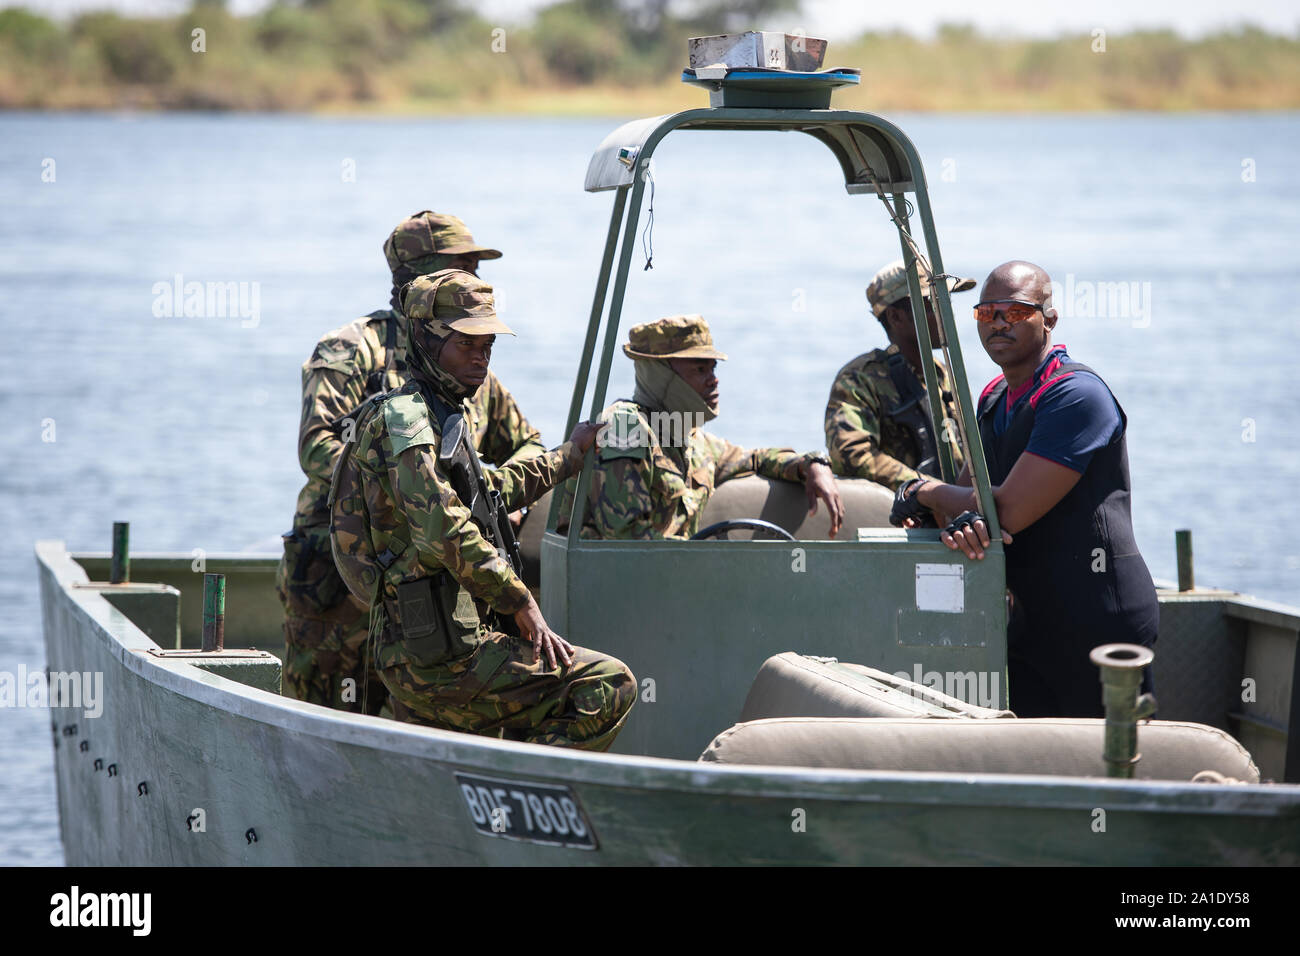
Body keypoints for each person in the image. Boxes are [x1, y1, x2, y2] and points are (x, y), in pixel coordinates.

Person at [331, 269, 635, 749]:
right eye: (466, 345)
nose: (481, 357)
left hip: (435, 645)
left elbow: (484, 492)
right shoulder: (408, 420)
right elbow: (443, 528)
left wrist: (567, 457)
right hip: (438, 658)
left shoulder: (439, 412)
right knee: (607, 684)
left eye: (487, 345)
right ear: (428, 343)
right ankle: (532, 803)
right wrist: (521, 602)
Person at [277, 211, 543, 715]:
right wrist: (405, 492)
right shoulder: (351, 350)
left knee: (426, 722)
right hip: (346, 578)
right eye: (460, 269)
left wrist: (494, 497)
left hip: (437, 585)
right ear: (417, 279)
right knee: (326, 721)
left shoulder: (468, 361)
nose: (474, 284)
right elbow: (317, 447)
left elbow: (528, 444)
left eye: (474, 272)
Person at [890, 260, 1159, 718]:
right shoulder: (995, 397)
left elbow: (1006, 512)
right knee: (1031, 763)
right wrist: (952, 518)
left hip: (1099, 619)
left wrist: (925, 491)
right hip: (1029, 621)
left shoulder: (1076, 396)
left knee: (1103, 769)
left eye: (1014, 312)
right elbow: (968, 497)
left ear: (1049, 319)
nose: (998, 322)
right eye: (986, 313)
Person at [567, 314, 845, 540]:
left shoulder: (693, 441)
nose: (713, 380)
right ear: (661, 376)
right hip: (608, 594)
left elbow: (756, 459)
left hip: (666, 588)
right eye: (700, 370)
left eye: (713, 369)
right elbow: (625, 542)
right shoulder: (623, 427)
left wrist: (812, 464)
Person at [824, 259, 974, 490]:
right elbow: (851, 455)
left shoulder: (940, 373)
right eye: (933, 304)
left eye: (947, 302)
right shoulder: (860, 380)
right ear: (895, 317)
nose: (946, 313)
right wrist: (929, 492)